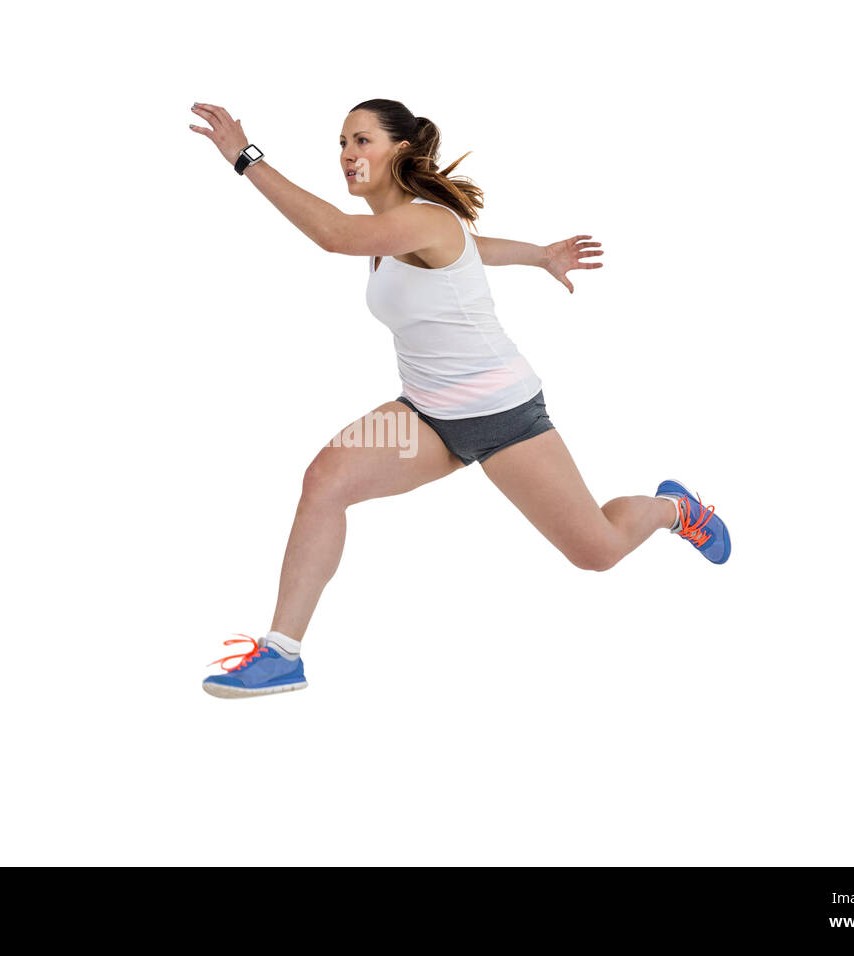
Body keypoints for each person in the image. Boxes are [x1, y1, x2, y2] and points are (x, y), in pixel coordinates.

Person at [188, 98, 730, 699]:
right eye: (341, 143)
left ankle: (676, 511)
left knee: (596, 552)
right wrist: (541, 255)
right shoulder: (399, 231)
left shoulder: (419, 220)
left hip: (504, 419)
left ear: (399, 149)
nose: (346, 155)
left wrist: (244, 156)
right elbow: (476, 248)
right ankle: (282, 653)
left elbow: (335, 234)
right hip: (425, 416)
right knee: (325, 480)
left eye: (361, 141)